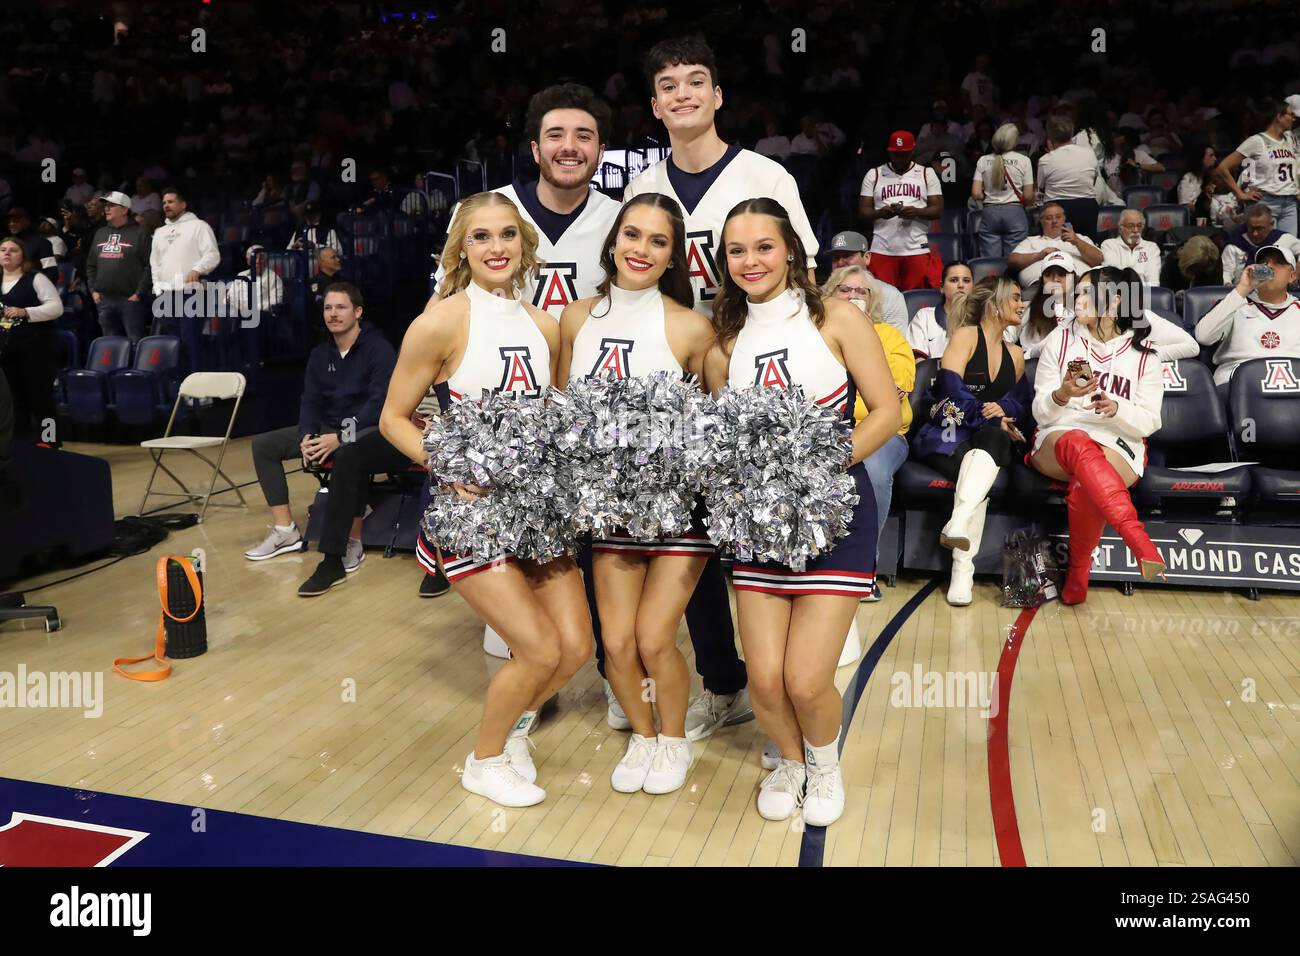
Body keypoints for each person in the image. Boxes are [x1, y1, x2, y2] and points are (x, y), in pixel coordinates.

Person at [626, 37, 825, 739]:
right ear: (655, 106)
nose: (682, 94)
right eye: (668, 85)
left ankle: (794, 687)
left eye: (696, 82)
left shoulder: (765, 175)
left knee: (761, 534)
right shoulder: (640, 186)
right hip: (670, 387)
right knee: (686, 537)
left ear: (717, 97)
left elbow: (805, 277)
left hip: (754, 382)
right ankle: (724, 682)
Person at [379, 191, 592, 808]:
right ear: (461, 250)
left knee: (576, 647)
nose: (496, 248)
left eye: (507, 235)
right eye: (481, 237)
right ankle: (485, 758)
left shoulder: (543, 324)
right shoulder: (440, 321)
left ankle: (516, 730)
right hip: (471, 515)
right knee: (540, 649)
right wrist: (446, 463)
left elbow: (548, 417)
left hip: (537, 511)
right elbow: (393, 417)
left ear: (524, 246)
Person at [702, 197, 900, 826]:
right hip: (756, 523)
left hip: (834, 511)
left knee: (807, 680)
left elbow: (887, 413)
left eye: (764, 246)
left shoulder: (837, 317)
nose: (751, 260)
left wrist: (820, 466)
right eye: (737, 249)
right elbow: (722, 438)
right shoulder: (723, 343)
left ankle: (824, 763)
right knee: (763, 680)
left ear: (791, 249)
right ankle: (790, 758)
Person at [556, 193, 714, 795]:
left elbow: (712, 425)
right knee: (616, 642)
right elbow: (563, 406)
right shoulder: (577, 317)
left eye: (657, 241)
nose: (640, 249)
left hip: (678, 512)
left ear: (674, 255)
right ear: (612, 241)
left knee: (654, 638)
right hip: (609, 513)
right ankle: (643, 738)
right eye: (632, 235)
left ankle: (672, 740)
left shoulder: (689, 327)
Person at [1029, 266, 1167, 604]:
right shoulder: (1061, 339)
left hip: (1117, 443)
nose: (1077, 299)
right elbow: (1040, 412)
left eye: (1086, 293)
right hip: (1059, 437)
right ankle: (1137, 539)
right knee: (1079, 444)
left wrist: (1117, 408)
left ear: (1115, 300)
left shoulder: (1144, 355)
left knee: (1088, 479)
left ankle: (1078, 571)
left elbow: (1149, 422)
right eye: (1077, 293)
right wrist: (1062, 395)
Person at [244, 283, 396, 568]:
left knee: (350, 451)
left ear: (358, 312)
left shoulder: (379, 349)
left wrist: (340, 437)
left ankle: (353, 540)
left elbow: (378, 405)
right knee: (264, 445)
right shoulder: (319, 355)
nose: (333, 314)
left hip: (369, 429)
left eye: (341, 307)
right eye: (328, 308)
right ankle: (285, 531)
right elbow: (310, 401)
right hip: (329, 428)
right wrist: (307, 435)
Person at [911, 276, 1031, 606]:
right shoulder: (965, 336)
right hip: (949, 432)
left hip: (989, 437)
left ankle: (959, 527)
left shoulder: (1016, 353)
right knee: (980, 463)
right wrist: (991, 414)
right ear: (994, 304)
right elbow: (950, 391)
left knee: (992, 443)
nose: (1023, 304)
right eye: (1016, 297)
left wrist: (1004, 411)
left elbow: (1021, 402)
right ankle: (963, 569)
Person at [821, 265, 915, 602]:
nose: (854, 297)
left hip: (885, 434)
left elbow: (894, 388)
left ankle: (864, 568)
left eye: (862, 292)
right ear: (829, 296)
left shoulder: (890, 337)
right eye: (845, 290)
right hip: (829, 431)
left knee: (872, 470)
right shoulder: (816, 335)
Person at [1195, 245, 1300, 398]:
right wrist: (1243, 288)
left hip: (1291, 385)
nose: (1269, 266)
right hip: (1235, 386)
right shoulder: (1235, 303)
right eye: (1264, 262)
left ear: (1292, 276)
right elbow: (1203, 336)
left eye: (1278, 263)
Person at [858, 130, 944, 290]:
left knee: (916, 298)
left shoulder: (927, 173)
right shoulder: (874, 174)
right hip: (882, 248)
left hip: (916, 248)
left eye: (904, 154)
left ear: (912, 150)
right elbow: (863, 212)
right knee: (883, 301)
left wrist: (916, 212)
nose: (900, 158)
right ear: (889, 151)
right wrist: (881, 213)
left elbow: (938, 209)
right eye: (896, 154)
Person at [0, 238, 63, 442]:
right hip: (7, 352)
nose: (7, 253)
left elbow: (56, 308)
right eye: (2, 250)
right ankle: (21, 445)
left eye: (13, 250)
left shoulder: (35, 279)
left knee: (41, 400)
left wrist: (25, 311)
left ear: (23, 255)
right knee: (13, 401)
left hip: (37, 348)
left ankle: (51, 443)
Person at [1215, 99, 1298, 235]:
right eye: (1291, 115)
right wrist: (1240, 194)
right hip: (1266, 201)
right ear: (1279, 116)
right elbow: (1223, 167)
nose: (1294, 118)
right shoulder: (1257, 141)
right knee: (1266, 249)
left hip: (1289, 203)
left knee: (1289, 250)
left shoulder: (1289, 138)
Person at [86, 190, 152, 343]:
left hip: (130, 300)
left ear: (124, 210)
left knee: (135, 342)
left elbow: (150, 265)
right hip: (104, 299)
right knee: (109, 345)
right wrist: (93, 290)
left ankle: (134, 368)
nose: (106, 209)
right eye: (106, 205)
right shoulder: (100, 233)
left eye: (112, 205)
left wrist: (139, 294)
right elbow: (91, 265)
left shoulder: (140, 233)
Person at [149, 187, 219, 330]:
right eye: (164, 203)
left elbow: (212, 254)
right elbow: (155, 263)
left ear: (183, 204)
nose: (166, 205)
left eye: (171, 202)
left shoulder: (199, 226)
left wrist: (197, 269)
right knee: (171, 342)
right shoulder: (159, 232)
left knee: (191, 340)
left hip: (192, 293)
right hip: (166, 294)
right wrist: (157, 286)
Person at [826, 230, 908, 335]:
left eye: (847, 256)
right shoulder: (824, 295)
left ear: (867, 257)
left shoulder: (890, 296)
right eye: (836, 258)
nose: (840, 262)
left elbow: (896, 344)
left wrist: (868, 330)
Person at [972, 123, 1035, 257]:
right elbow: (1029, 196)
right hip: (1015, 212)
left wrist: (990, 197)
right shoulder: (1024, 160)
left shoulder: (983, 160)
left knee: (990, 262)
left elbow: (976, 193)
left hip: (990, 212)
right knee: (1014, 259)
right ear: (1014, 141)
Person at [1007, 202, 1104, 288]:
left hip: (1079, 286)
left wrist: (1077, 242)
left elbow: (1098, 260)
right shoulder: (1031, 241)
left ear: (1064, 219)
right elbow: (1012, 261)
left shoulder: (1080, 238)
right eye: (1049, 218)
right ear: (1041, 221)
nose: (1054, 221)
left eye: (1058, 217)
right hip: (1039, 288)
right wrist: (1039, 255)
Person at [1036, 116, 1101, 237]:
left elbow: (1041, 188)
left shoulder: (1045, 160)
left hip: (1057, 208)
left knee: (1055, 250)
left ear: (1049, 136)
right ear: (1072, 132)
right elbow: (1093, 179)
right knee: (1086, 246)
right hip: (1086, 206)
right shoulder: (1089, 153)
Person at [907, 260, 973, 360]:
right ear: (942, 287)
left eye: (966, 281)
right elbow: (918, 362)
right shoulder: (924, 317)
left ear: (973, 287)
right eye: (954, 280)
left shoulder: (984, 317)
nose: (961, 285)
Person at [1220, 203, 1300, 284]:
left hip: (1275, 291)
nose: (1255, 233)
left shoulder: (1284, 239)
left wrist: (1298, 268)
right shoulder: (1235, 244)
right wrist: (1227, 285)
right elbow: (1226, 272)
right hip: (1241, 291)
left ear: (1271, 225)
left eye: (1260, 229)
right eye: (1252, 228)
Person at [1101, 209, 1162, 286]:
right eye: (1131, 226)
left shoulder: (1152, 248)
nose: (1136, 230)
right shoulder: (1109, 245)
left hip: (1145, 295)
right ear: (1120, 228)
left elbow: (1153, 282)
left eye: (1139, 226)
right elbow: (1113, 278)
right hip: (1118, 294)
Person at [4, 209, 58, 282]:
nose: (11, 224)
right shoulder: (6, 245)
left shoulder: (41, 243)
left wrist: (34, 289)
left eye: (16, 220)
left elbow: (52, 273)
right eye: (9, 221)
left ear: (27, 221)